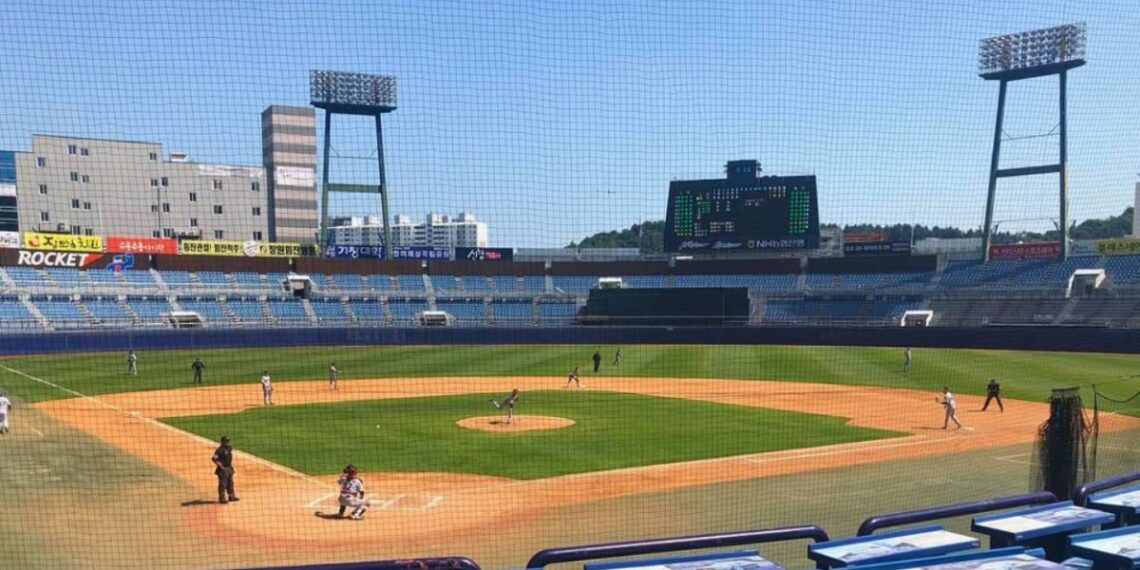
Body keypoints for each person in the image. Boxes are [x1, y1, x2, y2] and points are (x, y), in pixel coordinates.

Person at [212, 436, 238, 504]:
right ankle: (222, 498)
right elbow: (214, 459)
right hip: (223, 469)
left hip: (229, 468)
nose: (228, 442)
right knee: (223, 484)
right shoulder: (219, 450)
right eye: (226, 441)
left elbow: (231, 448)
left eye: (228, 441)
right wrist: (220, 466)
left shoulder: (228, 448)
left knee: (230, 483)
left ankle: (231, 496)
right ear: (222, 442)